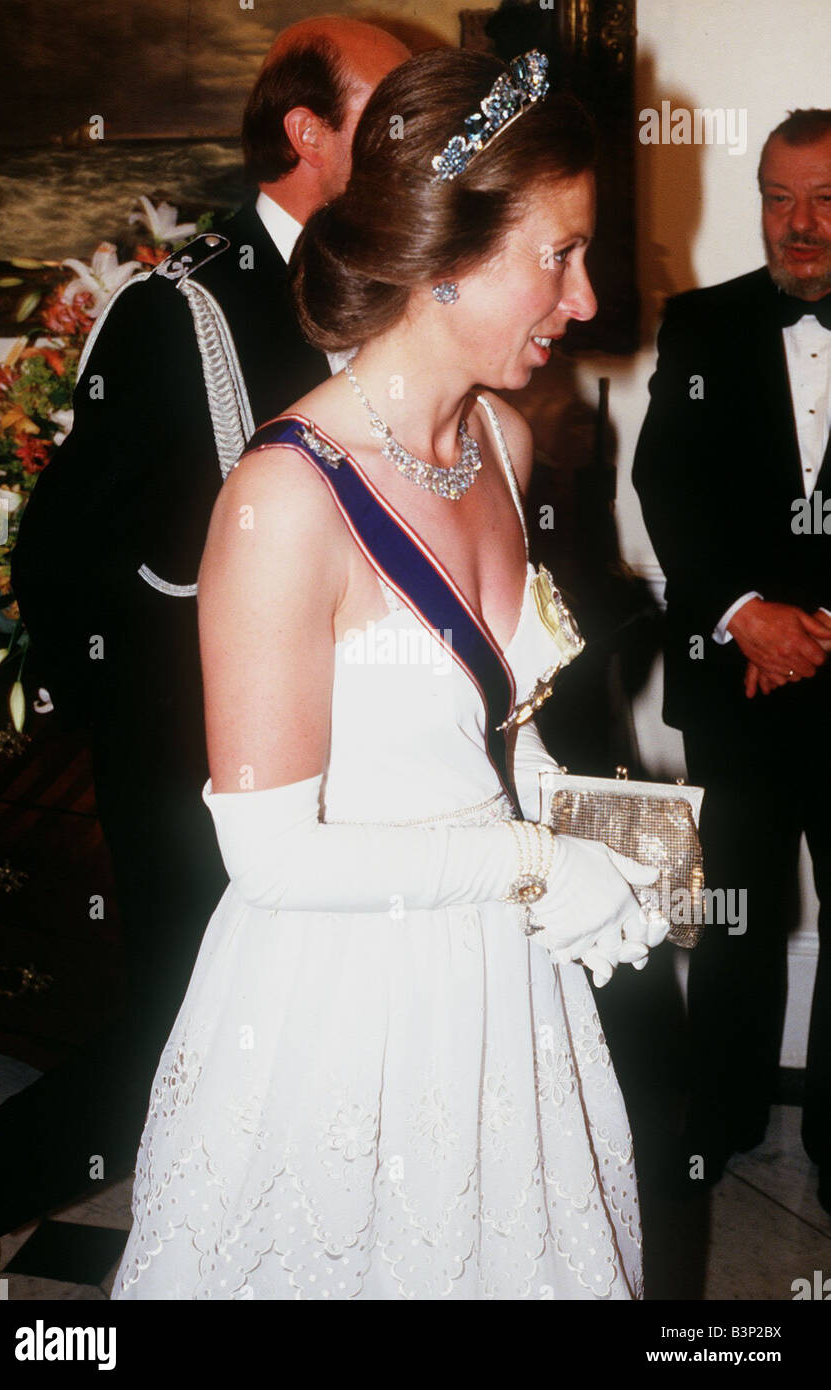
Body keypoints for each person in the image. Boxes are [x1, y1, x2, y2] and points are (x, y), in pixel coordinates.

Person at [112, 48, 671, 1302]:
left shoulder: (504, 440)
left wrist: (586, 826)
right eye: (558, 254)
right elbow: (272, 857)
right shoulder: (282, 500)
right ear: (444, 254)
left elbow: (493, 729)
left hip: (500, 986)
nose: (582, 300)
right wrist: (532, 861)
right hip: (338, 990)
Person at [0, 17, 409, 1278]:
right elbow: (62, 559)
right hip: (191, 751)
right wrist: (156, 743)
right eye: (386, 107)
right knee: (191, 1024)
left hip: (350, 740)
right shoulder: (182, 308)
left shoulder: (381, 287)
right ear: (306, 131)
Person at [633, 109, 831, 1207]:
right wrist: (747, 612)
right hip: (735, 674)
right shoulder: (699, 325)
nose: (797, 224)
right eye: (775, 196)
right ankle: (714, 1121)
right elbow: (668, 482)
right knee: (732, 911)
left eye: (824, 200)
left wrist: (813, 630)